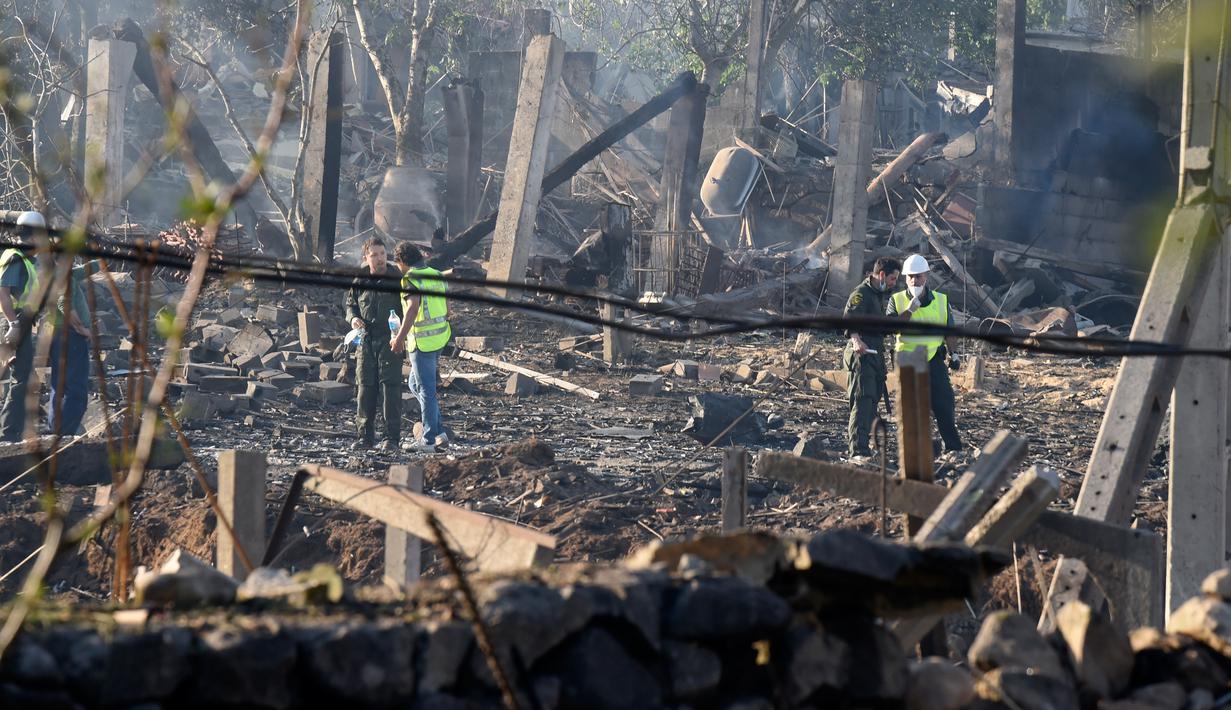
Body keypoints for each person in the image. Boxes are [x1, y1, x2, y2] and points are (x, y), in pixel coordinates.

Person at [886, 253, 963, 455]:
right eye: (910, 276)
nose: (914, 280)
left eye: (918, 276)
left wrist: (954, 354)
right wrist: (910, 310)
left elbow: (949, 330)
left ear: (926, 276)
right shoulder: (896, 300)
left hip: (934, 358)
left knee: (944, 402)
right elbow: (890, 328)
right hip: (908, 359)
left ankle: (954, 448)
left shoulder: (941, 300)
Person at [390, 241, 451, 453]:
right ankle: (440, 431)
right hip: (440, 338)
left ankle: (428, 439)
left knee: (426, 390)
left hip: (423, 342)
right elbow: (448, 307)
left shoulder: (410, 279)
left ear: (402, 261)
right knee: (415, 384)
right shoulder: (436, 274)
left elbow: (412, 310)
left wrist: (399, 338)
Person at [345, 237, 404, 450]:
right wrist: (353, 319)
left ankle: (391, 438)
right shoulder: (359, 279)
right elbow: (350, 305)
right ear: (366, 258)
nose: (379, 259)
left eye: (382, 254)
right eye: (374, 255)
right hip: (366, 340)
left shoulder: (398, 278)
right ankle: (364, 438)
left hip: (390, 340)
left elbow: (409, 309)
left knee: (390, 389)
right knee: (365, 389)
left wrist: (402, 337)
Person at [842, 256, 900, 461]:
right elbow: (850, 319)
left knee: (872, 401)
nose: (894, 283)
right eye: (893, 279)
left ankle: (865, 448)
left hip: (875, 355)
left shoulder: (878, 295)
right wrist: (857, 341)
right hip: (862, 356)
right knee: (862, 401)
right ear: (882, 275)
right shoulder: (862, 294)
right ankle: (857, 451)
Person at [0, 212, 44, 441]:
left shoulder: (23, 258)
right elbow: (3, 292)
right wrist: (13, 323)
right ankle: (8, 433)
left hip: (21, 320)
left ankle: (11, 430)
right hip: (14, 320)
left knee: (20, 375)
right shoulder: (16, 257)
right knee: (19, 376)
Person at [49, 258, 94, 436]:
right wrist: (80, 328)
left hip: (57, 334)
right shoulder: (64, 276)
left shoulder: (55, 273)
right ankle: (68, 432)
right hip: (71, 336)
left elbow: (85, 269)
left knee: (59, 384)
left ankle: (56, 429)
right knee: (76, 387)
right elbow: (63, 303)